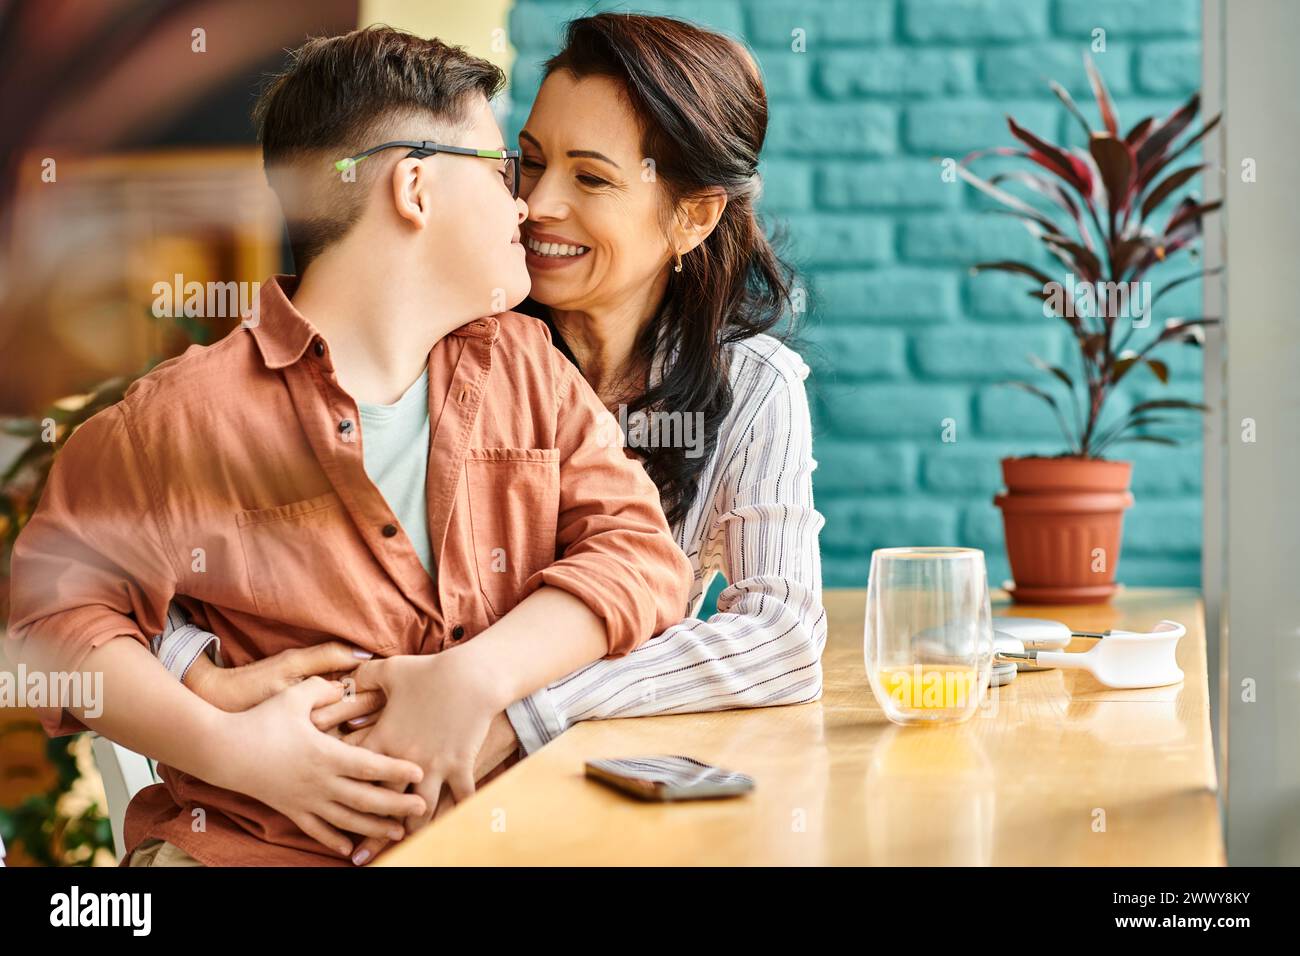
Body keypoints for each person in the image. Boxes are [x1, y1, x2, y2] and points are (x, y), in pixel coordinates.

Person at [5, 25, 692, 867]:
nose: (524, 203)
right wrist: (234, 751)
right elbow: (51, 627)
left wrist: (475, 677)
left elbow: (642, 556)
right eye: (500, 169)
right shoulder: (174, 421)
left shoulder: (527, 370)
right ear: (415, 187)